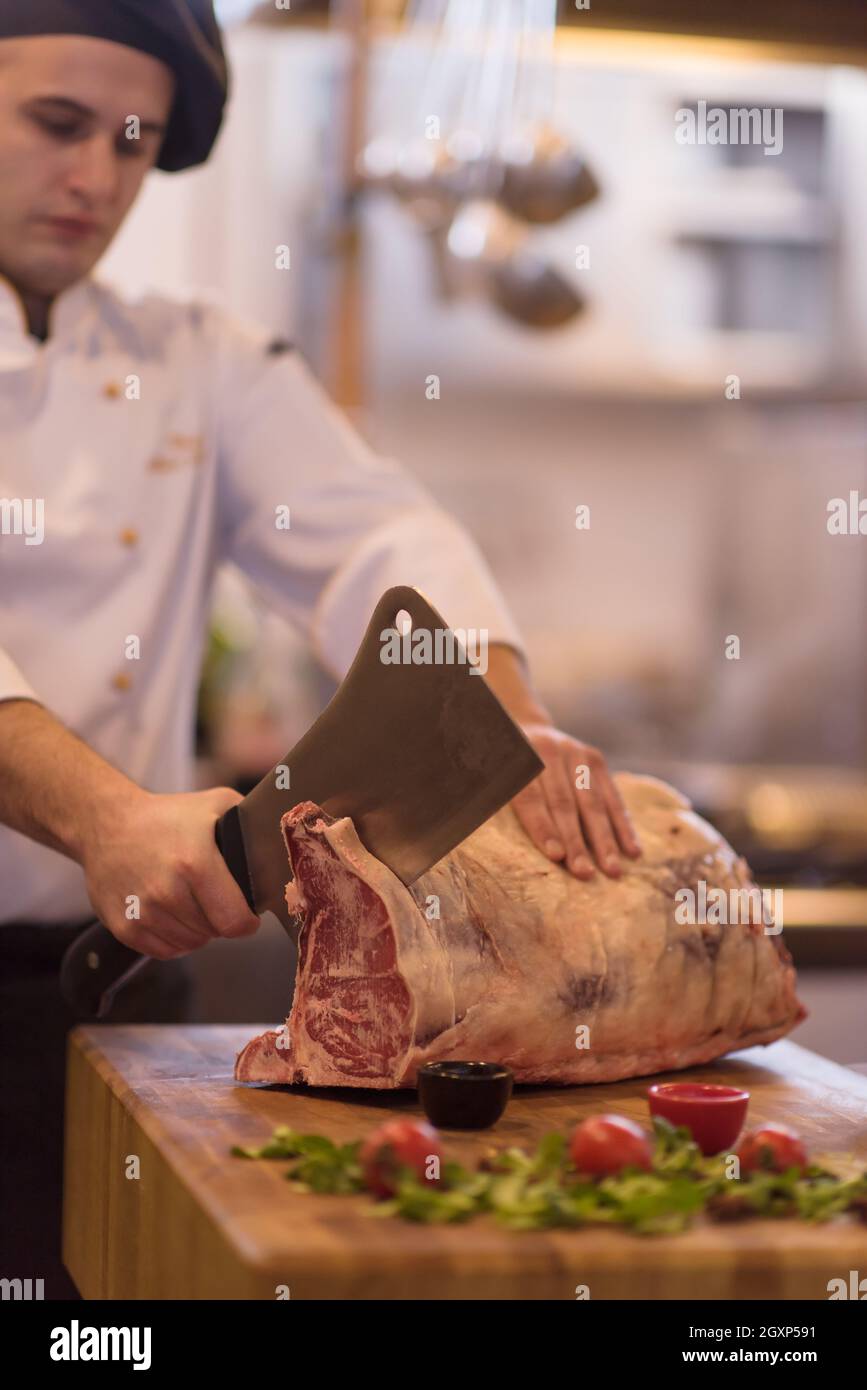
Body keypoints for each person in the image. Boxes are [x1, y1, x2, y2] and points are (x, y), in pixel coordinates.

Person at [0, 0, 641, 1298]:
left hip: (101, 993)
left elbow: (375, 537)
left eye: (133, 140)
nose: (96, 177)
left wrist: (498, 714)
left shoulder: (195, 363)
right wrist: (112, 815)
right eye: (55, 125)